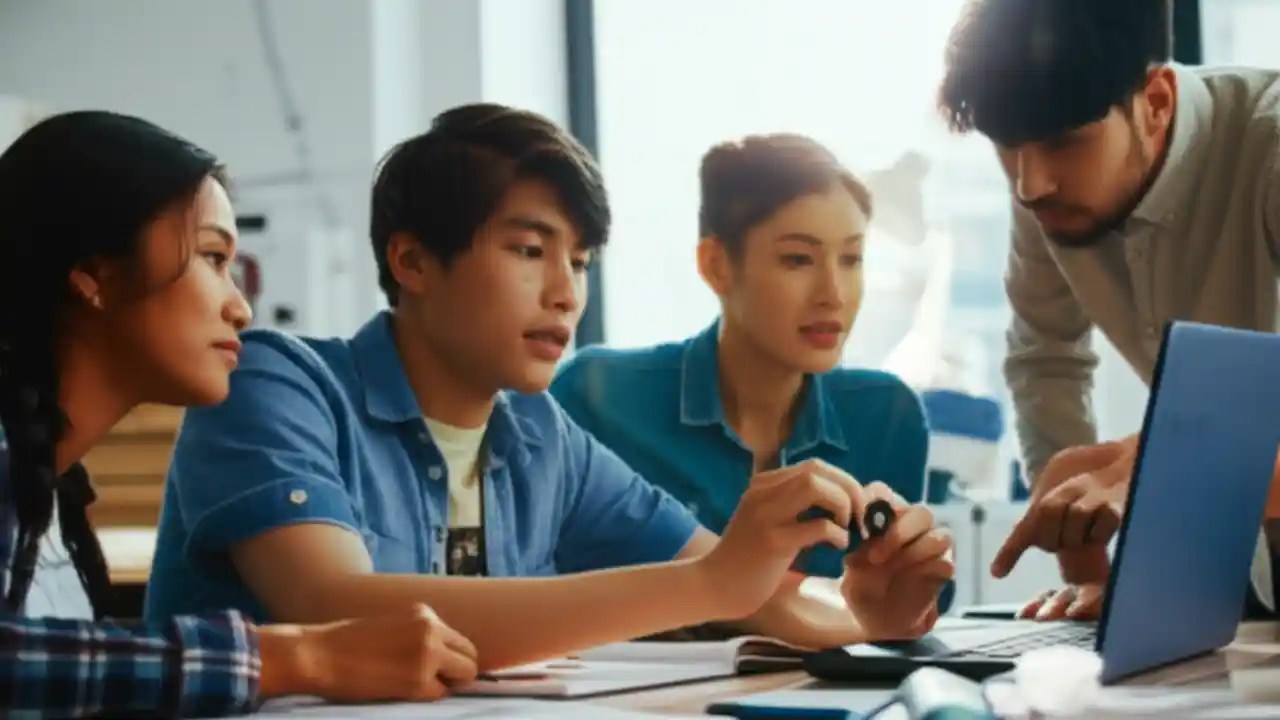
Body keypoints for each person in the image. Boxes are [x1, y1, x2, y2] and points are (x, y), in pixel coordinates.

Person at [145, 103, 955, 671]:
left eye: (581, 262)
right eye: (531, 251)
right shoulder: (275, 380)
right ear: (413, 260)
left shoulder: (542, 435)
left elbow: (762, 601)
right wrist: (711, 582)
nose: (567, 292)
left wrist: (871, 617)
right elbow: (331, 600)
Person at [0, 111, 480, 717]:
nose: (241, 308)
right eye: (211, 258)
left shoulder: (52, 502)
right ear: (95, 275)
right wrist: (300, 657)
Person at [937, 0, 1280, 620]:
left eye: (1065, 142)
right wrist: (1088, 574)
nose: (1030, 184)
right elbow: (1045, 358)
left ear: (1156, 102)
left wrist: (1172, 464)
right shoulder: (1043, 188)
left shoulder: (1271, 147)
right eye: (1007, 147)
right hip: (1254, 565)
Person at [549, 134, 940, 594]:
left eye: (852, 259)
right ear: (717, 265)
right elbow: (539, 590)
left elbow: (903, 621)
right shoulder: (596, 398)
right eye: (798, 259)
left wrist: (913, 585)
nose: (833, 293)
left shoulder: (886, 416)